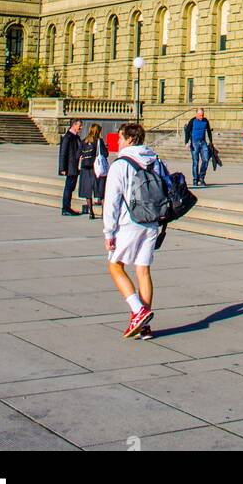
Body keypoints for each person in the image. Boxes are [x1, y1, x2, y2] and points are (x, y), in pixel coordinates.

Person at [103, 122, 169, 341]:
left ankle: (138, 310)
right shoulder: (154, 159)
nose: (118, 141)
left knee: (115, 266)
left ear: (130, 139)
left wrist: (109, 232)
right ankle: (144, 326)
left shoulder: (120, 164)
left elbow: (111, 201)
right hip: (152, 222)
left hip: (129, 221)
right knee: (143, 271)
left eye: (120, 138)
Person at [78, 122, 108, 220]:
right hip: (96, 169)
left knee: (87, 191)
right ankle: (104, 213)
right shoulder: (99, 141)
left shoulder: (84, 141)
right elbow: (105, 154)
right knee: (101, 191)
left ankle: (91, 212)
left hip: (85, 168)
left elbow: (79, 153)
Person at [58, 118, 83, 216]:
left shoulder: (76, 137)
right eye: (79, 125)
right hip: (70, 167)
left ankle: (67, 207)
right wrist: (62, 168)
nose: (80, 127)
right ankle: (65, 208)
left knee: (71, 187)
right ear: (74, 125)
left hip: (75, 166)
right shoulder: (68, 137)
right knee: (68, 187)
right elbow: (63, 153)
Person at [184, 107, 214, 187]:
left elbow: (208, 131)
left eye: (202, 115)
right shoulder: (192, 121)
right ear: (196, 114)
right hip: (194, 143)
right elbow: (187, 131)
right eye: (200, 115)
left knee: (206, 160)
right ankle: (195, 179)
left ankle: (201, 178)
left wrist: (211, 142)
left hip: (203, 142)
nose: (201, 117)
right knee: (195, 162)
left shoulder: (205, 121)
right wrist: (186, 142)